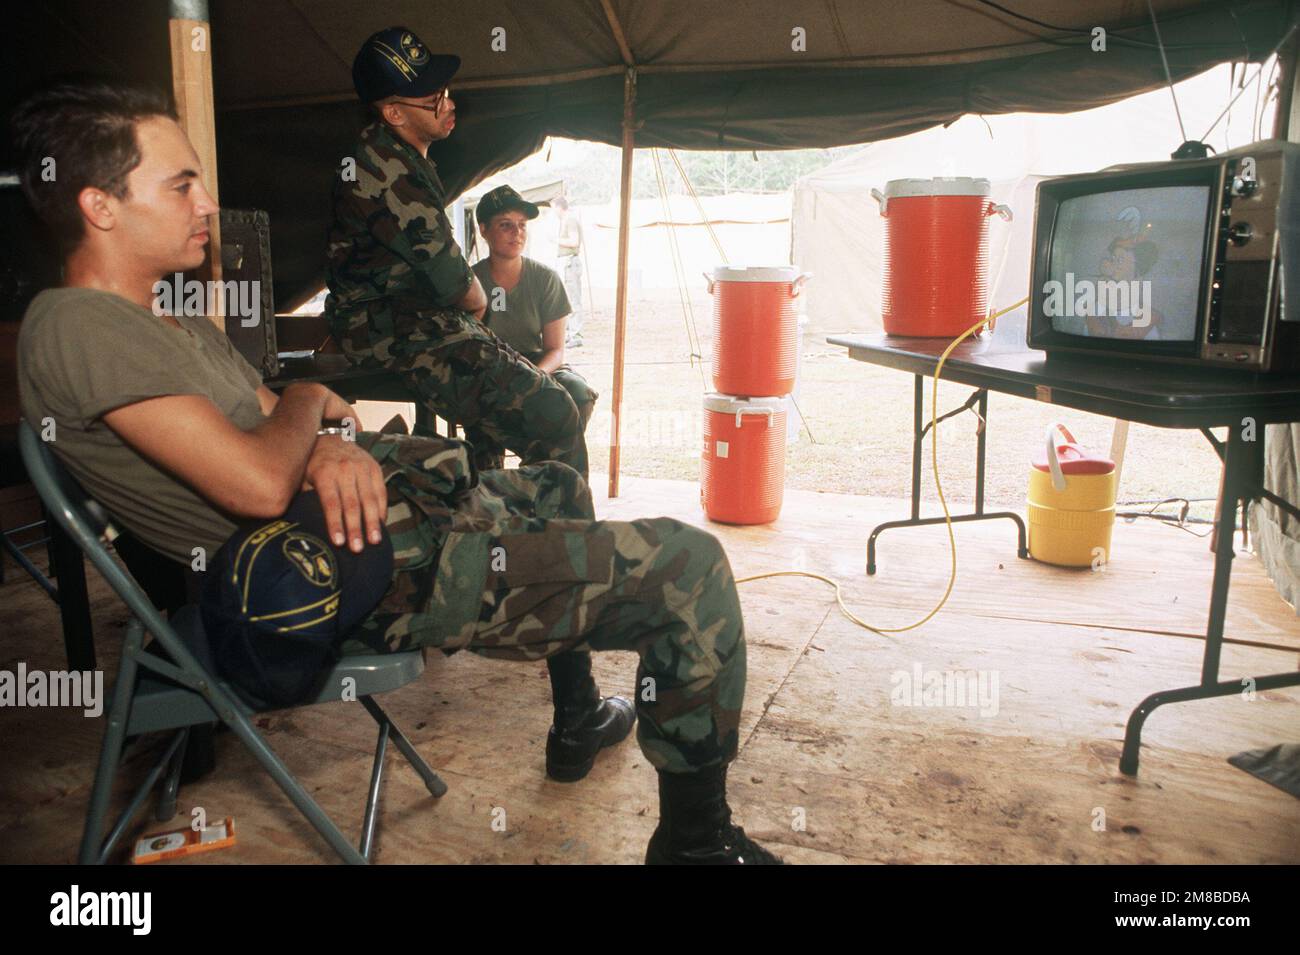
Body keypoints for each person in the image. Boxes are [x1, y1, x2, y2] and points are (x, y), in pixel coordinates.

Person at [11, 78, 781, 864]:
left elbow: (267, 417)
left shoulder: (160, 317)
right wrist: (309, 405)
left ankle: (576, 715)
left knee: (560, 482)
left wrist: (315, 435)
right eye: (181, 184)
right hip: (354, 568)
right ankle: (695, 845)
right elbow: (254, 479)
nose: (206, 201)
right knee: (690, 570)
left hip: (387, 508)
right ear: (98, 206)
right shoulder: (76, 325)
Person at [322, 26, 617, 751]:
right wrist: (474, 310)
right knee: (553, 416)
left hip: (406, 325)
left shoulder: (398, 158)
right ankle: (575, 697)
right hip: (400, 332)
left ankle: (514, 566)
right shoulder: (386, 165)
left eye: (446, 86)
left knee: (534, 407)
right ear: (394, 111)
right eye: (430, 93)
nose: (447, 100)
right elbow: (465, 292)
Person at [469, 185, 598, 470]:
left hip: (538, 366)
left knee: (577, 393)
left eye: (522, 225)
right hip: (490, 371)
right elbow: (468, 346)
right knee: (481, 416)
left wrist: (534, 377)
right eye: (506, 225)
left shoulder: (545, 279)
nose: (517, 233)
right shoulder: (470, 282)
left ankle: (546, 472)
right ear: (484, 229)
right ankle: (495, 482)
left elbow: (555, 350)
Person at [552, 196, 585, 347]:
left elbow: (574, 241)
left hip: (570, 262)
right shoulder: (566, 220)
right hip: (567, 263)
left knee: (574, 300)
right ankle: (570, 333)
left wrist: (556, 240)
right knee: (568, 299)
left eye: (553, 207)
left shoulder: (570, 220)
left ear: (559, 207)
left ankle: (576, 335)